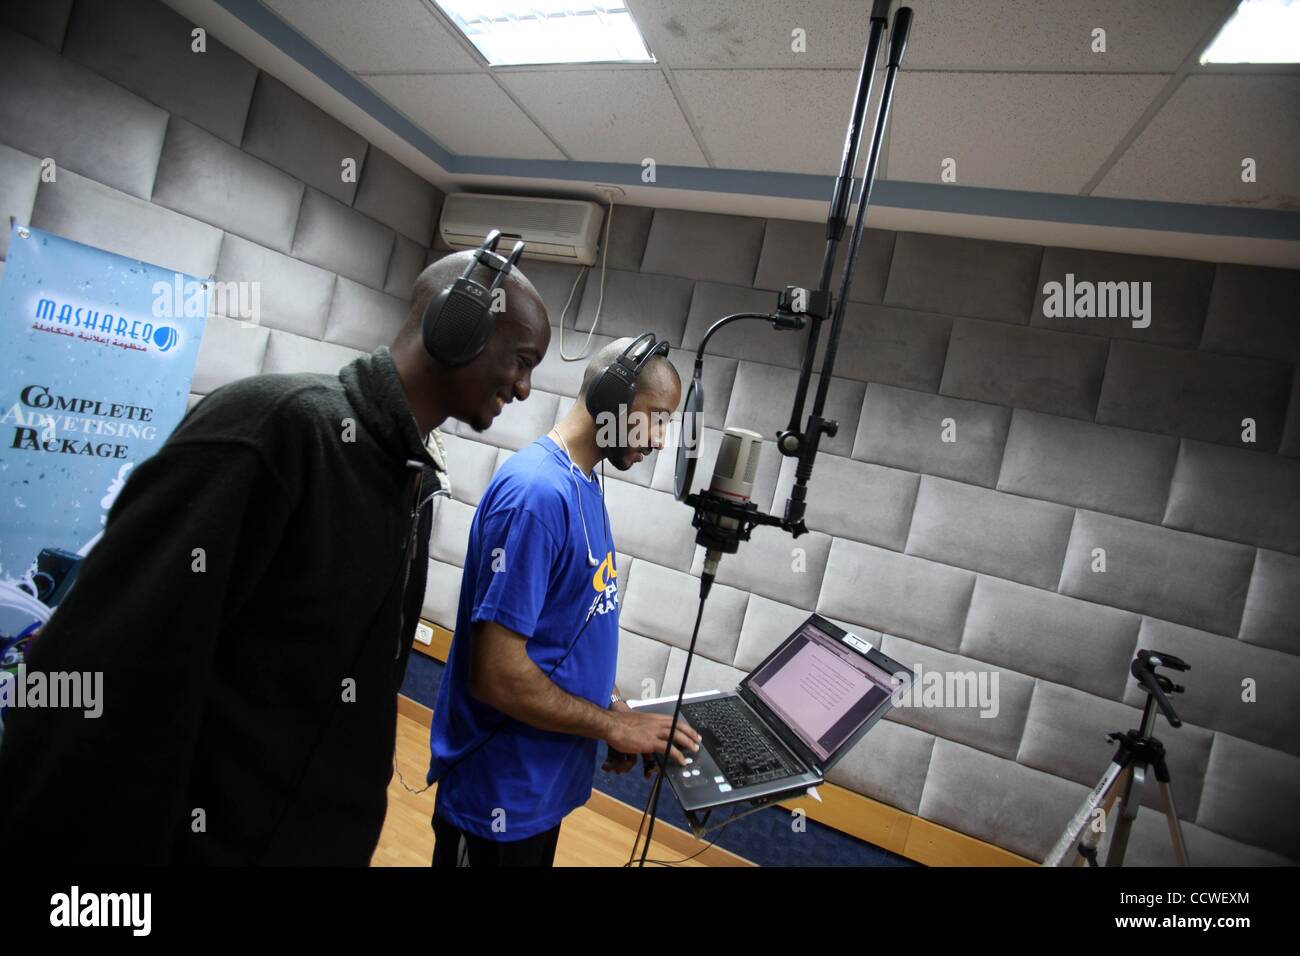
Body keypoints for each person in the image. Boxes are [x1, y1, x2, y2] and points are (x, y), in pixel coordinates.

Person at [0, 248, 550, 865]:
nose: (524, 388)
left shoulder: (404, 476)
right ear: (460, 327)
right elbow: (99, 677)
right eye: (523, 361)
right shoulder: (272, 431)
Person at [427, 333, 699, 867]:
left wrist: (612, 706)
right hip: (498, 795)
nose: (661, 440)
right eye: (657, 419)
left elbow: (568, 631)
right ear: (611, 400)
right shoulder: (537, 496)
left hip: (541, 788)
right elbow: (497, 675)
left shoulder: (585, 485)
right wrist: (615, 727)